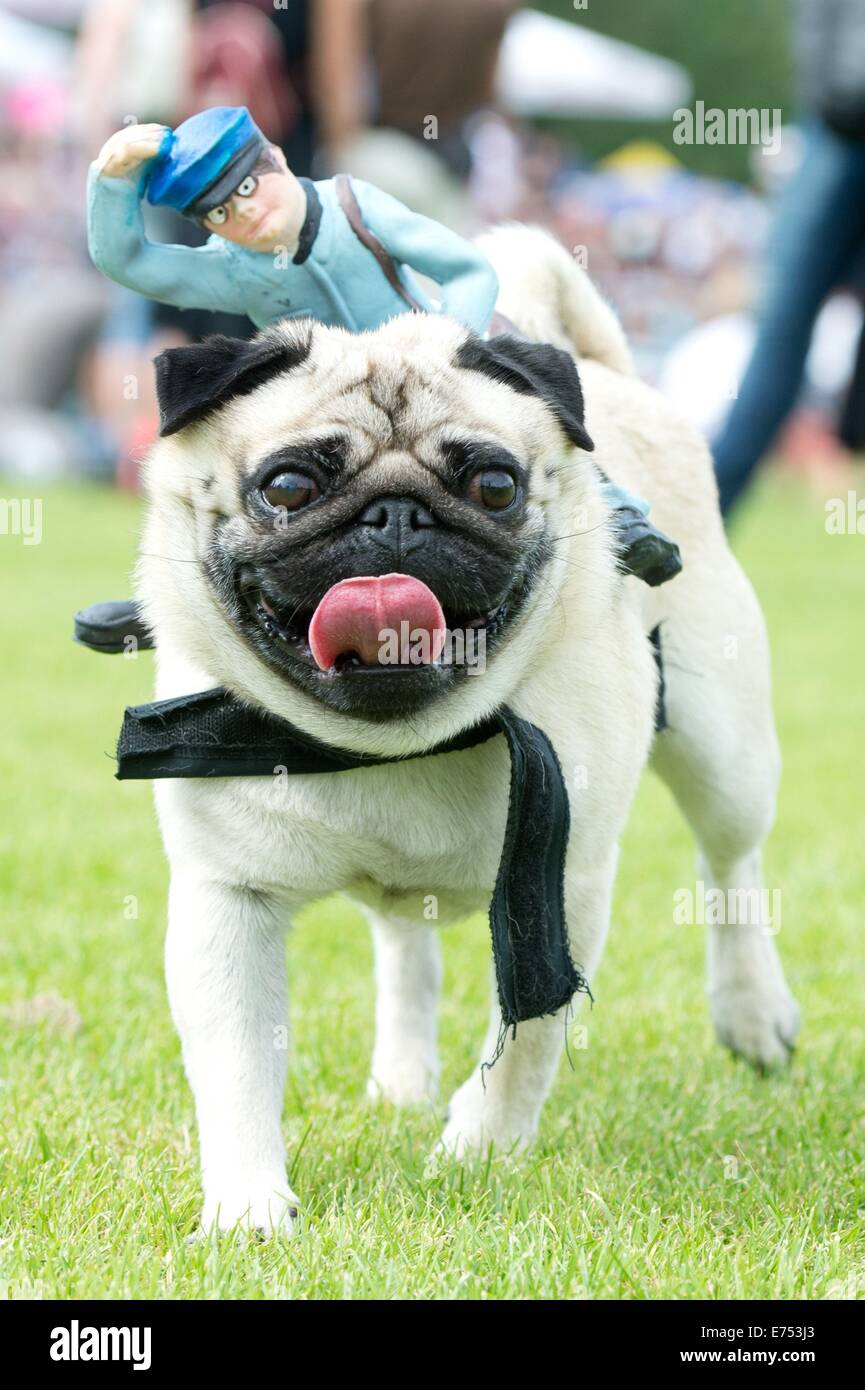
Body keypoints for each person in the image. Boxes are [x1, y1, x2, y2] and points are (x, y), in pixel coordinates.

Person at [87, 105, 500, 334]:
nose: (244, 211)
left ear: (278, 157)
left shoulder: (353, 205)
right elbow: (131, 264)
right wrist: (112, 184)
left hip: (431, 380)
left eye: (247, 187)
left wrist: (450, 343)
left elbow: (468, 272)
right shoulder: (233, 271)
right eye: (219, 212)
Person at [713, 0, 865, 515]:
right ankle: (704, 520)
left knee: (780, 329)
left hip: (837, 119)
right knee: (780, 328)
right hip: (840, 123)